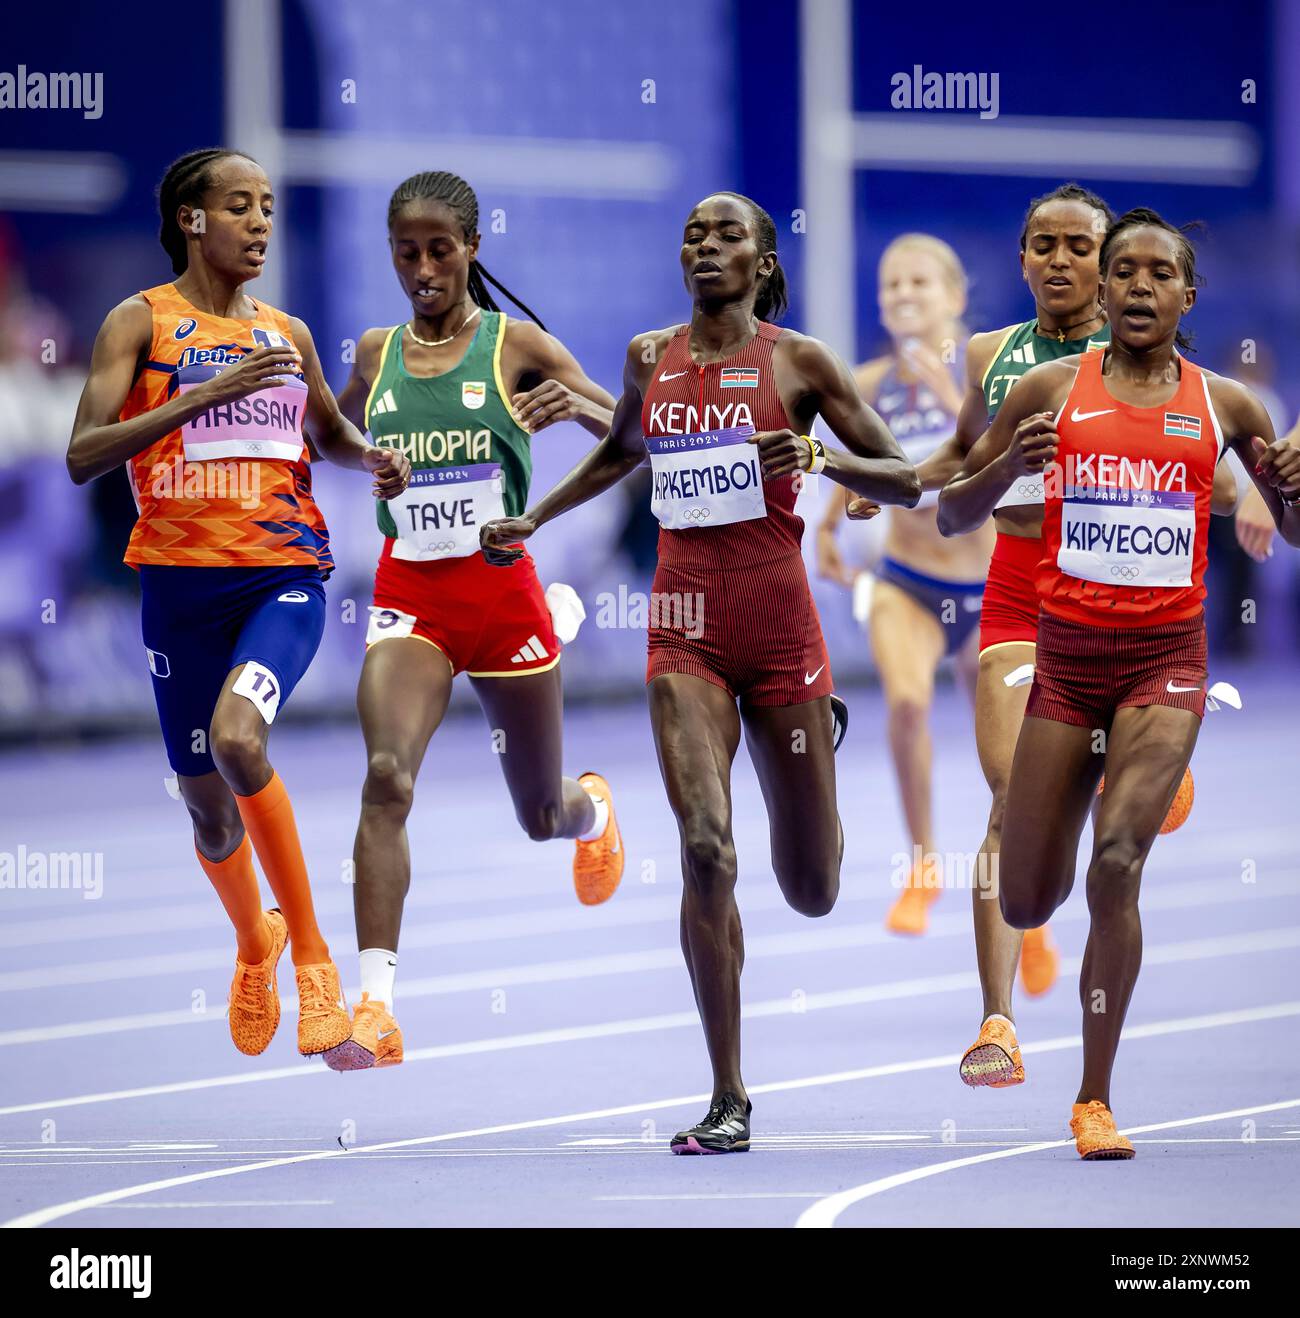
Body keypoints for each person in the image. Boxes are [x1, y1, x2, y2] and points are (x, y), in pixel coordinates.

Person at [480, 192, 919, 1153]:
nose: (705, 246)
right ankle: (729, 1094)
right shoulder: (650, 357)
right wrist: (536, 519)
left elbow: (905, 476)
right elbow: (621, 451)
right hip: (683, 629)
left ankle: (816, 730)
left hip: (782, 631)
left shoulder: (802, 364)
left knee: (813, 887)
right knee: (707, 849)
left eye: (727, 235)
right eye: (693, 235)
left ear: (764, 262)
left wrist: (818, 456)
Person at [956, 207, 1300, 1158]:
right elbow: (953, 512)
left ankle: (1093, 1099)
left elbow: (1294, 530)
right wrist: (1003, 471)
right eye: (1125, 272)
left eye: (1161, 273)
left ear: (1188, 296)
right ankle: (1103, 774)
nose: (1141, 286)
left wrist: (1293, 487)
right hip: (1066, 662)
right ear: (1104, 293)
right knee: (1026, 899)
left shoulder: (1229, 406)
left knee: (1117, 864)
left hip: (1165, 661)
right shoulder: (1046, 389)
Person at [66, 148, 409, 1059]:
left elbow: (327, 434)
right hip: (178, 592)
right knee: (208, 812)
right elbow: (82, 454)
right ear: (191, 219)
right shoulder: (139, 321)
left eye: (268, 207)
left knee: (238, 739)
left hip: (282, 579)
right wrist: (201, 399)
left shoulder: (287, 334)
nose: (260, 223)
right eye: (239, 206)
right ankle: (256, 943)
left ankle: (314, 962)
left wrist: (372, 456)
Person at [326, 171, 621, 1070]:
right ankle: (375, 1010)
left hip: (502, 602)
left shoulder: (515, 344)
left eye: (440, 251)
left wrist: (577, 404)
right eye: (406, 253)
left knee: (540, 813)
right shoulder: (374, 353)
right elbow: (323, 434)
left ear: (472, 249)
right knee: (386, 779)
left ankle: (592, 813)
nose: (423, 270)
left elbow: (639, 434)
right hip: (410, 597)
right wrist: (364, 459)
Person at [817, 234, 992, 936]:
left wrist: (950, 392)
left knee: (1006, 752)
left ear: (955, 295)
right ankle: (923, 864)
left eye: (920, 282)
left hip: (991, 587)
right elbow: (854, 463)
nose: (904, 294)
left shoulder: (988, 367)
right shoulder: (866, 382)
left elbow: (997, 456)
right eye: (892, 284)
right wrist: (826, 527)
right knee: (908, 704)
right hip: (907, 580)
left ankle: (1019, 887)